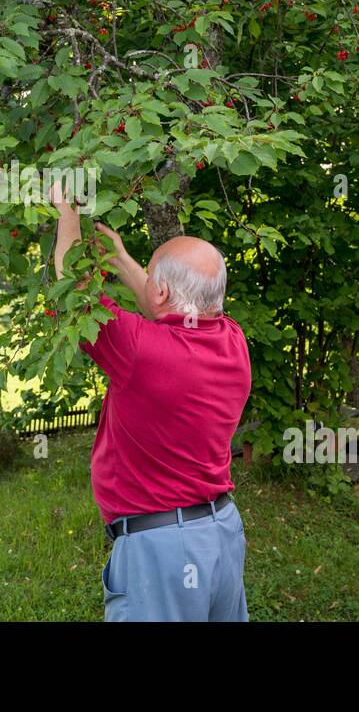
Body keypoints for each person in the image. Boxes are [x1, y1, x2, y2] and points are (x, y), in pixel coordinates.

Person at [50, 182, 252, 621]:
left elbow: (72, 289)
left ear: (161, 293)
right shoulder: (233, 340)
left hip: (163, 550)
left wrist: (67, 213)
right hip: (220, 532)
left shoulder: (142, 351)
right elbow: (165, 305)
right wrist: (121, 258)